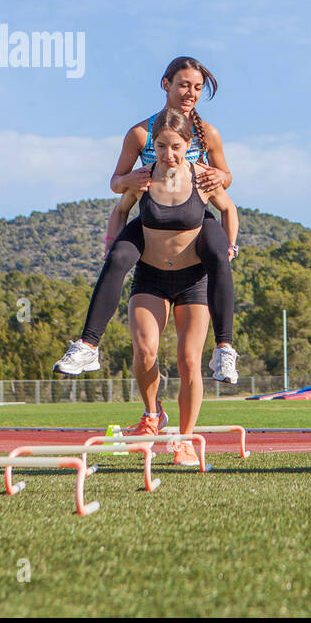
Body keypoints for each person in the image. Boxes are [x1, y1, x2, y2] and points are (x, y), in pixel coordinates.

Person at [54, 56, 241, 389]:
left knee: (218, 255)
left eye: (197, 88)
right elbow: (115, 183)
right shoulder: (140, 133)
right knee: (118, 259)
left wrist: (219, 175)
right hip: (153, 214)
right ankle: (88, 346)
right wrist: (131, 178)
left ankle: (224, 348)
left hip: (194, 214)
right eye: (184, 85)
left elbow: (226, 178)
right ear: (166, 84)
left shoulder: (208, 133)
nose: (191, 93)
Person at [111, 108, 238, 466]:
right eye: (163, 146)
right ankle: (153, 414)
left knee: (188, 361)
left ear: (188, 147)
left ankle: (184, 441)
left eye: (177, 147)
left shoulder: (200, 177)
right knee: (144, 350)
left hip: (193, 281)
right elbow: (120, 207)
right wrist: (112, 246)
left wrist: (228, 249)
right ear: (154, 146)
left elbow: (228, 208)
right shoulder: (145, 178)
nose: (170, 154)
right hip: (151, 276)